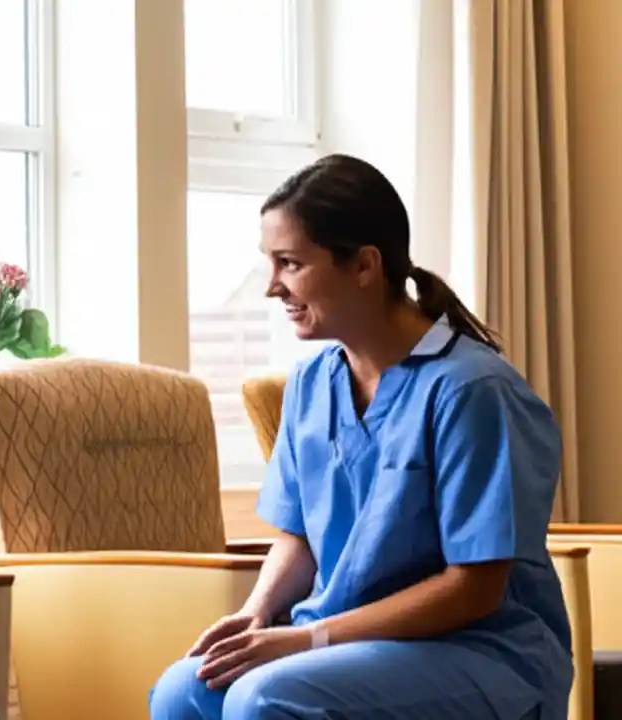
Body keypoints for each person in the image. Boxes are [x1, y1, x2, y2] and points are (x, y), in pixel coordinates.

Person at [149, 154, 572, 719]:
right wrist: (257, 613)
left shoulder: (473, 392)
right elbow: (300, 535)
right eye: (270, 264)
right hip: (344, 643)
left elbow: (475, 588)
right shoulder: (311, 384)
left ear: (365, 266)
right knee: (184, 692)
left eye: (290, 263)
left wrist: (309, 639)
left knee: (263, 698)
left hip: (481, 651)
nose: (273, 286)